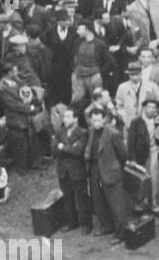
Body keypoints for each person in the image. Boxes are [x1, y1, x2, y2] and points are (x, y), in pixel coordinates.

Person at [85, 104, 130, 243]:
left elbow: (123, 154)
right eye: (94, 120)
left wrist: (116, 168)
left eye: (99, 120)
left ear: (104, 119)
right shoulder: (91, 131)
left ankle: (121, 233)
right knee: (98, 201)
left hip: (110, 171)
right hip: (94, 170)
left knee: (116, 204)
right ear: (91, 120)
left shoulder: (113, 133)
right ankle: (107, 226)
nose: (96, 123)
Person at [52, 104, 92, 233]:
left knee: (81, 199)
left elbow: (78, 151)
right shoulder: (60, 131)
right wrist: (69, 147)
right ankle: (72, 222)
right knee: (67, 198)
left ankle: (86, 224)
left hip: (77, 171)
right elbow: (53, 149)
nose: (65, 119)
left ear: (76, 119)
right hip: (63, 171)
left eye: (68, 117)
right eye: (64, 117)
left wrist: (62, 146)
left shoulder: (83, 132)